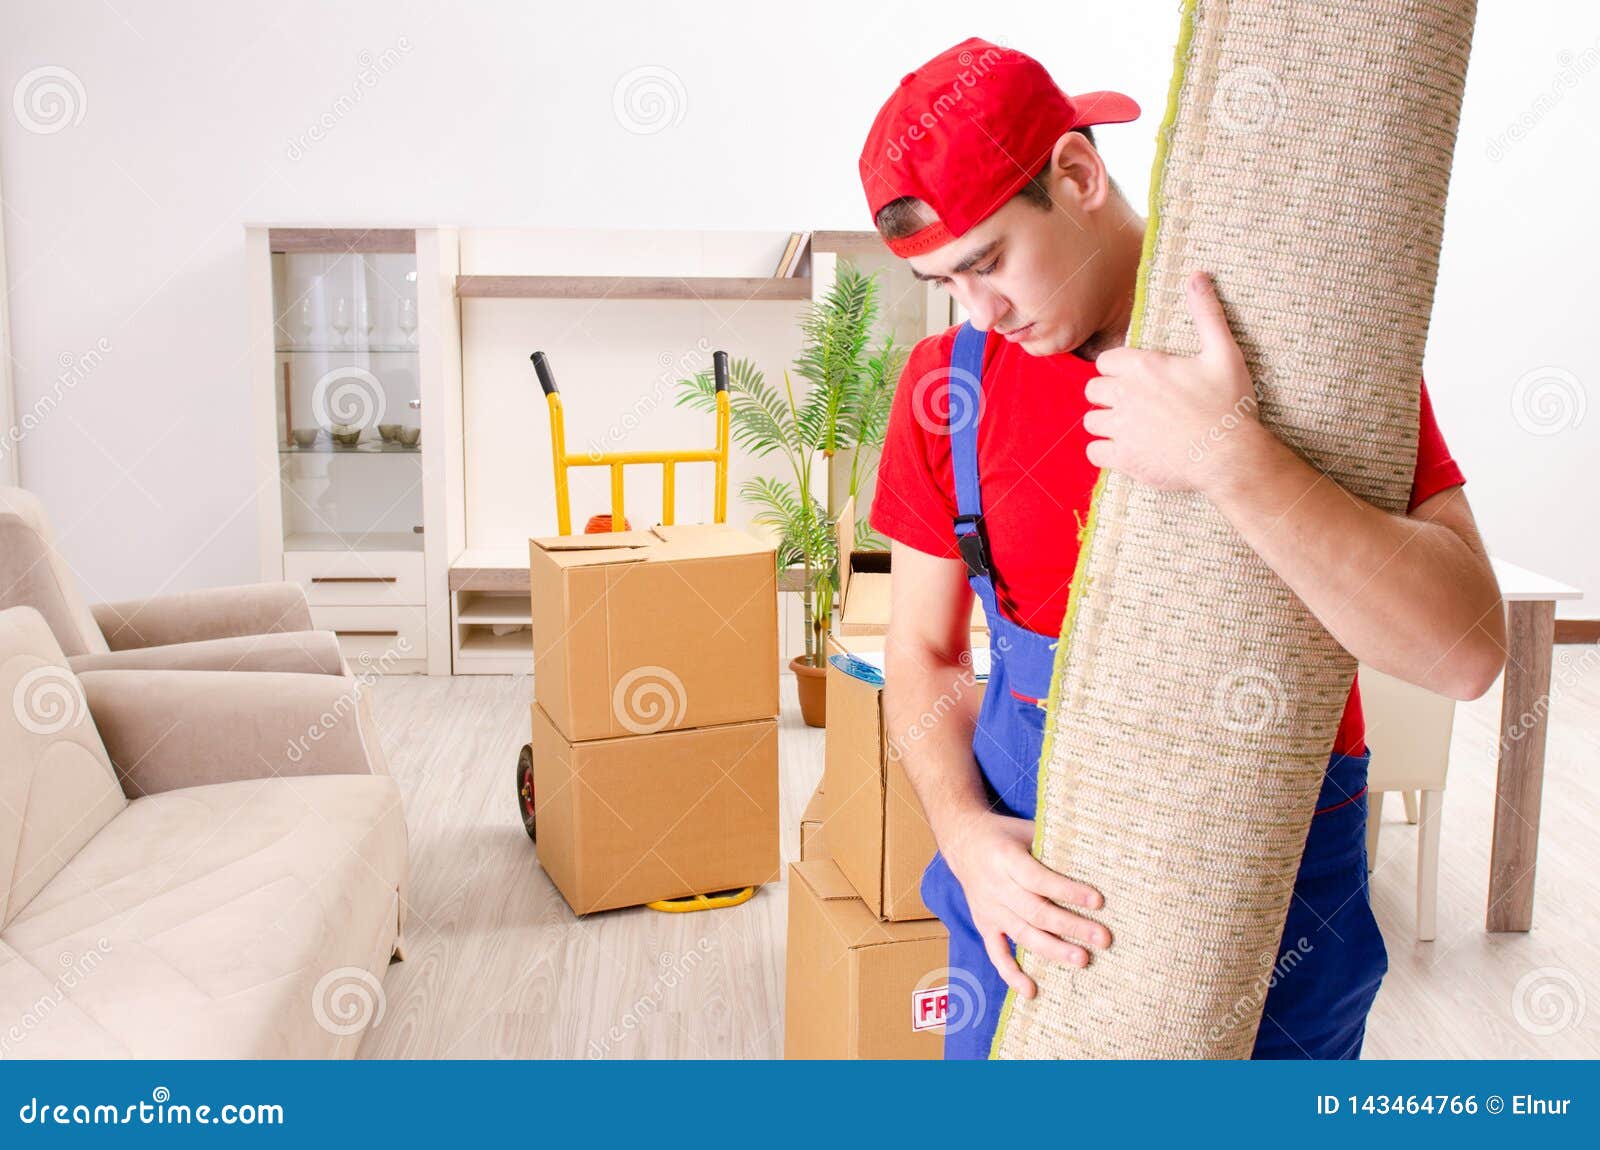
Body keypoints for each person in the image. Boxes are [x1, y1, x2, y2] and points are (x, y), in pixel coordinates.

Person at [858, 37, 1506, 1060]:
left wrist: (1232, 458)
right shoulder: (950, 388)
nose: (976, 311)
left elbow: (1466, 649)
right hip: (1032, 899)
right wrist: (962, 834)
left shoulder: (1291, 349)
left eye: (984, 263)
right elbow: (921, 655)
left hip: (1276, 895)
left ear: (1074, 175)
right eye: (944, 282)